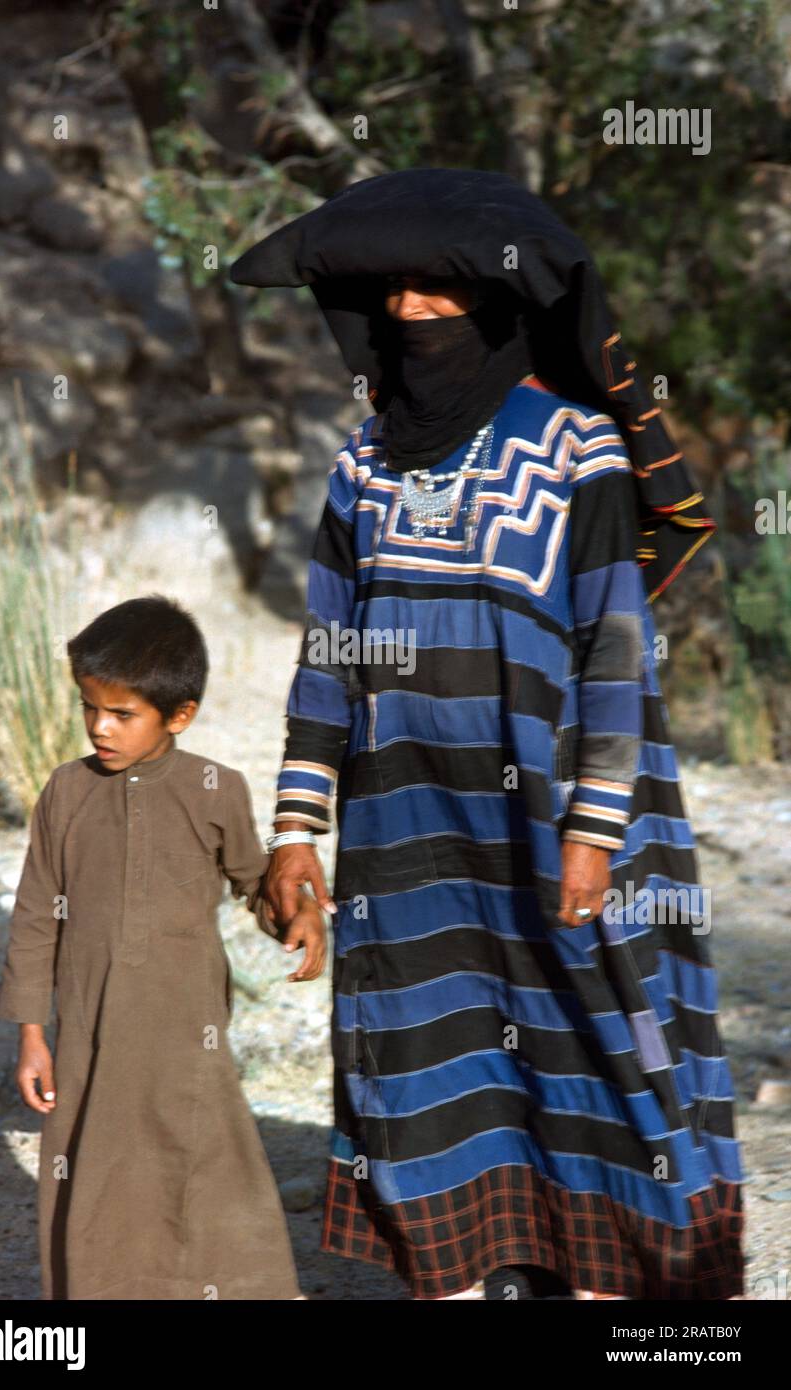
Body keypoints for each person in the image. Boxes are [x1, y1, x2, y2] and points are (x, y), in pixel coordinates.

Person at [231, 168, 747, 1301]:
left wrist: (592, 833)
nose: (410, 312)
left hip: (555, 812)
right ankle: (464, 1277)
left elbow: (614, 650)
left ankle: (618, 1287)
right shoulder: (361, 466)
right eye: (391, 291)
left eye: (437, 288)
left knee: (593, 1050)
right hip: (409, 827)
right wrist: (296, 829)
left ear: (498, 303)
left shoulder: (573, 449)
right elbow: (328, 656)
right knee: (421, 1054)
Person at [0, 594, 325, 1300]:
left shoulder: (215, 789)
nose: (99, 729)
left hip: (186, 1029)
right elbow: (33, 918)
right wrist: (31, 1033)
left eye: (122, 714)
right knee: (95, 1165)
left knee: (202, 1160)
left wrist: (292, 917)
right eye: (89, 708)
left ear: (179, 715)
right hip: (88, 1028)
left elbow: (252, 881)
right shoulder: (65, 793)